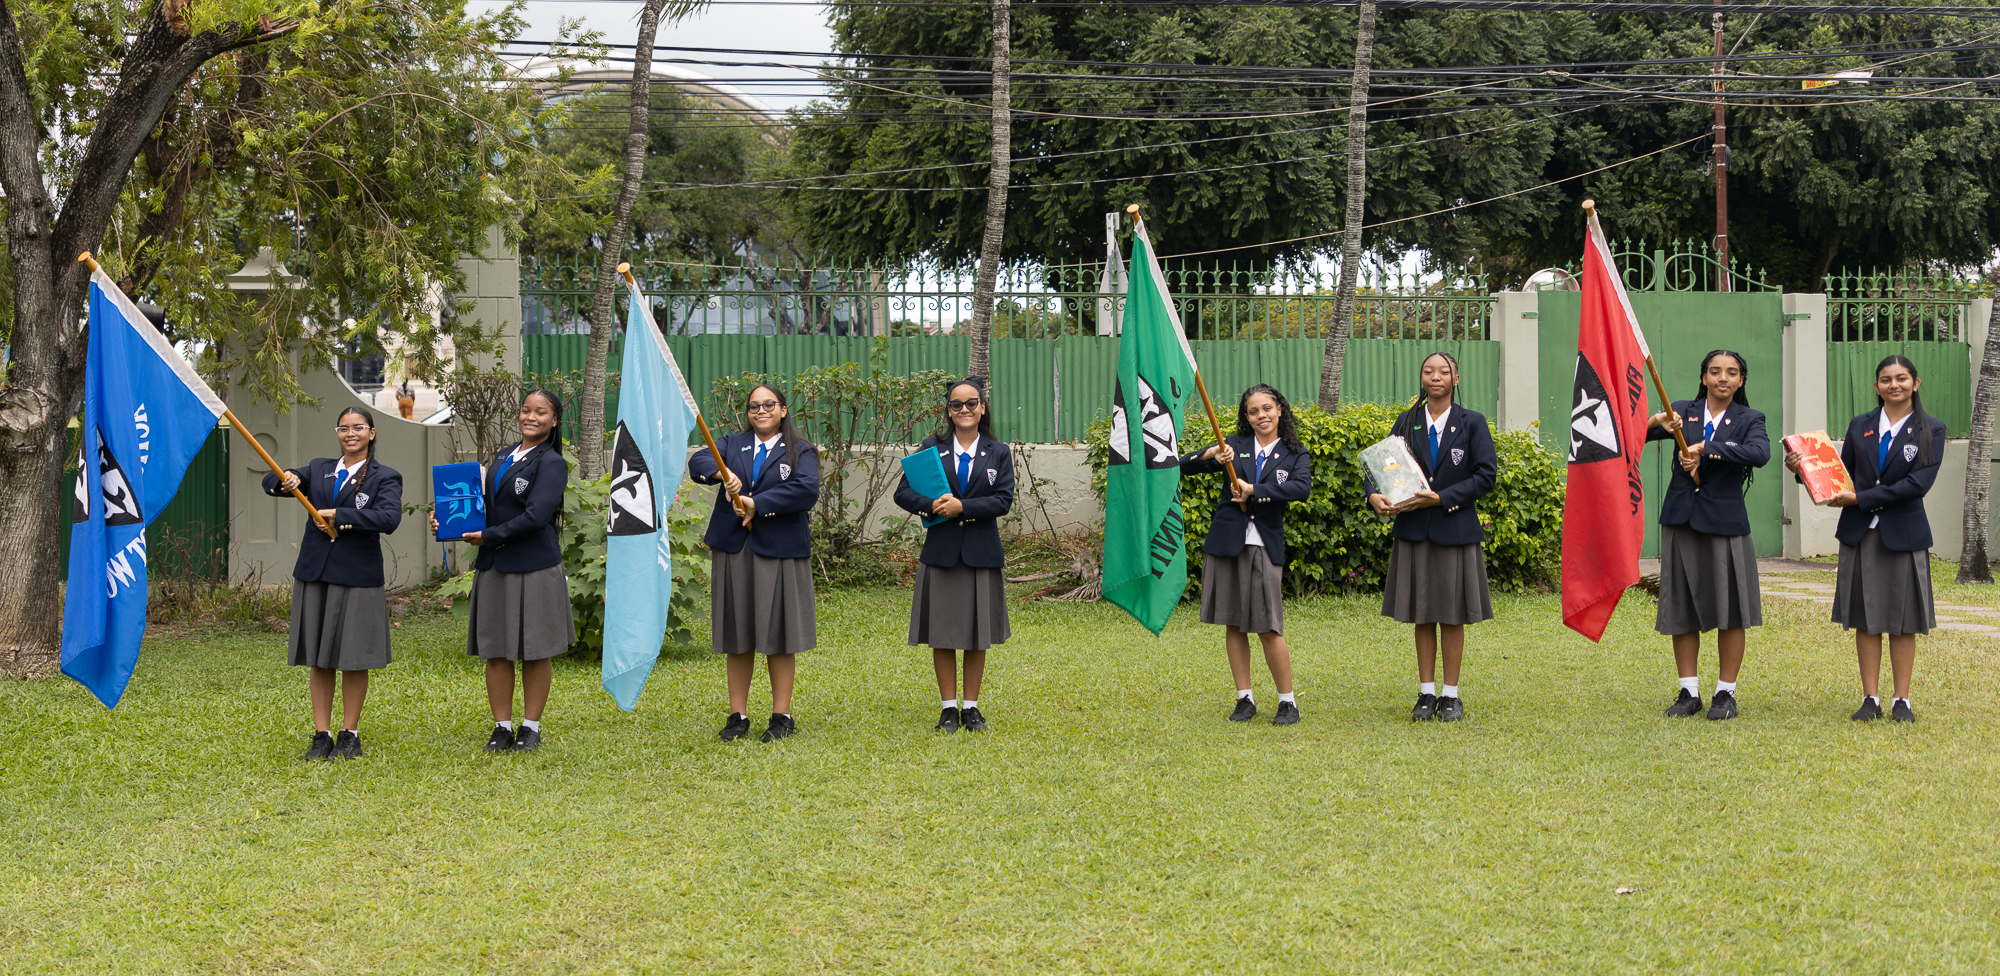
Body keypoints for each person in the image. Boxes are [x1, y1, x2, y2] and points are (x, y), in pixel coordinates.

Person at [1786, 355, 1944, 723]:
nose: (1894, 385)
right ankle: (1870, 697)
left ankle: (1901, 700)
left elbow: (1917, 485)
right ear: (1876, 386)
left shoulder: (1931, 429)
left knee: (1904, 620)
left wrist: (1861, 499)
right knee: (1865, 617)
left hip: (1904, 534)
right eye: (1886, 379)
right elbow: (1840, 474)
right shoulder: (1861, 425)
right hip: (1860, 534)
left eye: (1901, 378)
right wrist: (1801, 469)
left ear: (1915, 383)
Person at [430, 389, 574, 752]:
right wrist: (449, 522)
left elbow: (535, 517)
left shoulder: (552, 463)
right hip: (494, 566)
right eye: (526, 410)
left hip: (534, 566)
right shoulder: (503, 455)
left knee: (535, 650)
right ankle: (502, 727)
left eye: (540, 412)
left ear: (554, 421)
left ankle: (530, 727)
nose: (531, 417)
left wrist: (487, 537)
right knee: (496, 649)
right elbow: (483, 506)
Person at [265, 406, 403, 760]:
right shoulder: (319, 468)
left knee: (354, 657)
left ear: (372, 433)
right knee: (319, 657)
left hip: (357, 576)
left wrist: (339, 515)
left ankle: (349, 733)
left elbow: (388, 519)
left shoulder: (385, 476)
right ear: (337, 433)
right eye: (343, 428)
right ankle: (322, 733)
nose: (350, 433)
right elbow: (271, 483)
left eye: (358, 427)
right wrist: (287, 478)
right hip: (316, 573)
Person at [687, 382, 821, 742]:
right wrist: (723, 473)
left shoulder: (801, 450)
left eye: (768, 405)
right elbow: (699, 461)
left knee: (779, 634)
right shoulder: (732, 444)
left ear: (783, 410)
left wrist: (756, 504)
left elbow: (806, 490)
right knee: (738, 633)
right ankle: (738, 715)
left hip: (780, 548)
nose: (761, 411)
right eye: (754, 406)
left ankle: (781, 716)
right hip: (735, 547)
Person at [1366, 352, 1496, 723]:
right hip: (1414, 530)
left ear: (1456, 379)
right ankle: (1426, 693)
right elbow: (1382, 466)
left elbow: (1486, 476)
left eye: (1443, 371)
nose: (1435, 377)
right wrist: (1372, 495)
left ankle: (1450, 695)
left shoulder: (1472, 422)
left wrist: (1441, 498)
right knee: (1422, 612)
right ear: (1422, 378)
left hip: (1454, 529)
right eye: (1428, 371)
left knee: (1452, 615)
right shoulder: (1406, 421)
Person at [1644, 350, 1769, 720]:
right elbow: (1630, 437)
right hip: (1681, 519)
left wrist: (1706, 448)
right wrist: (1658, 420)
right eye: (1715, 372)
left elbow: (1759, 453)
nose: (1722, 378)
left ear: (1741, 380)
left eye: (1731, 373)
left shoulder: (1750, 418)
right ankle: (1689, 692)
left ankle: (1725, 694)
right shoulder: (1683, 411)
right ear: (1704, 377)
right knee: (1681, 608)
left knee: (1731, 610)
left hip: (1725, 522)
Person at [1180, 384, 1312, 725]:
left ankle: (1287, 703)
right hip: (1227, 542)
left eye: (1267, 408)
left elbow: (1301, 488)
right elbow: (1183, 465)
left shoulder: (1295, 453)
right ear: (1247, 417)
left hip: (1264, 544)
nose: (1261, 416)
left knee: (1268, 626)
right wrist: (1211, 455)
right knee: (1234, 623)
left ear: (1279, 410)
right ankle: (1245, 699)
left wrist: (1255, 490)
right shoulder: (1233, 446)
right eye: (1253, 411)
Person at [894, 377, 1014, 733]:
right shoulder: (932, 448)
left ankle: (971, 708)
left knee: (978, 634)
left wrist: (963, 507)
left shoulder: (999, 452)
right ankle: (948, 708)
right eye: (957, 404)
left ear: (982, 408)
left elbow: (1003, 500)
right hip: (942, 553)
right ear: (948, 410)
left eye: (971, 403)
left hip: (981, 553)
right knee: (942, 633)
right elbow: (903, 493)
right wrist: (932, 505)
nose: (965, 409)